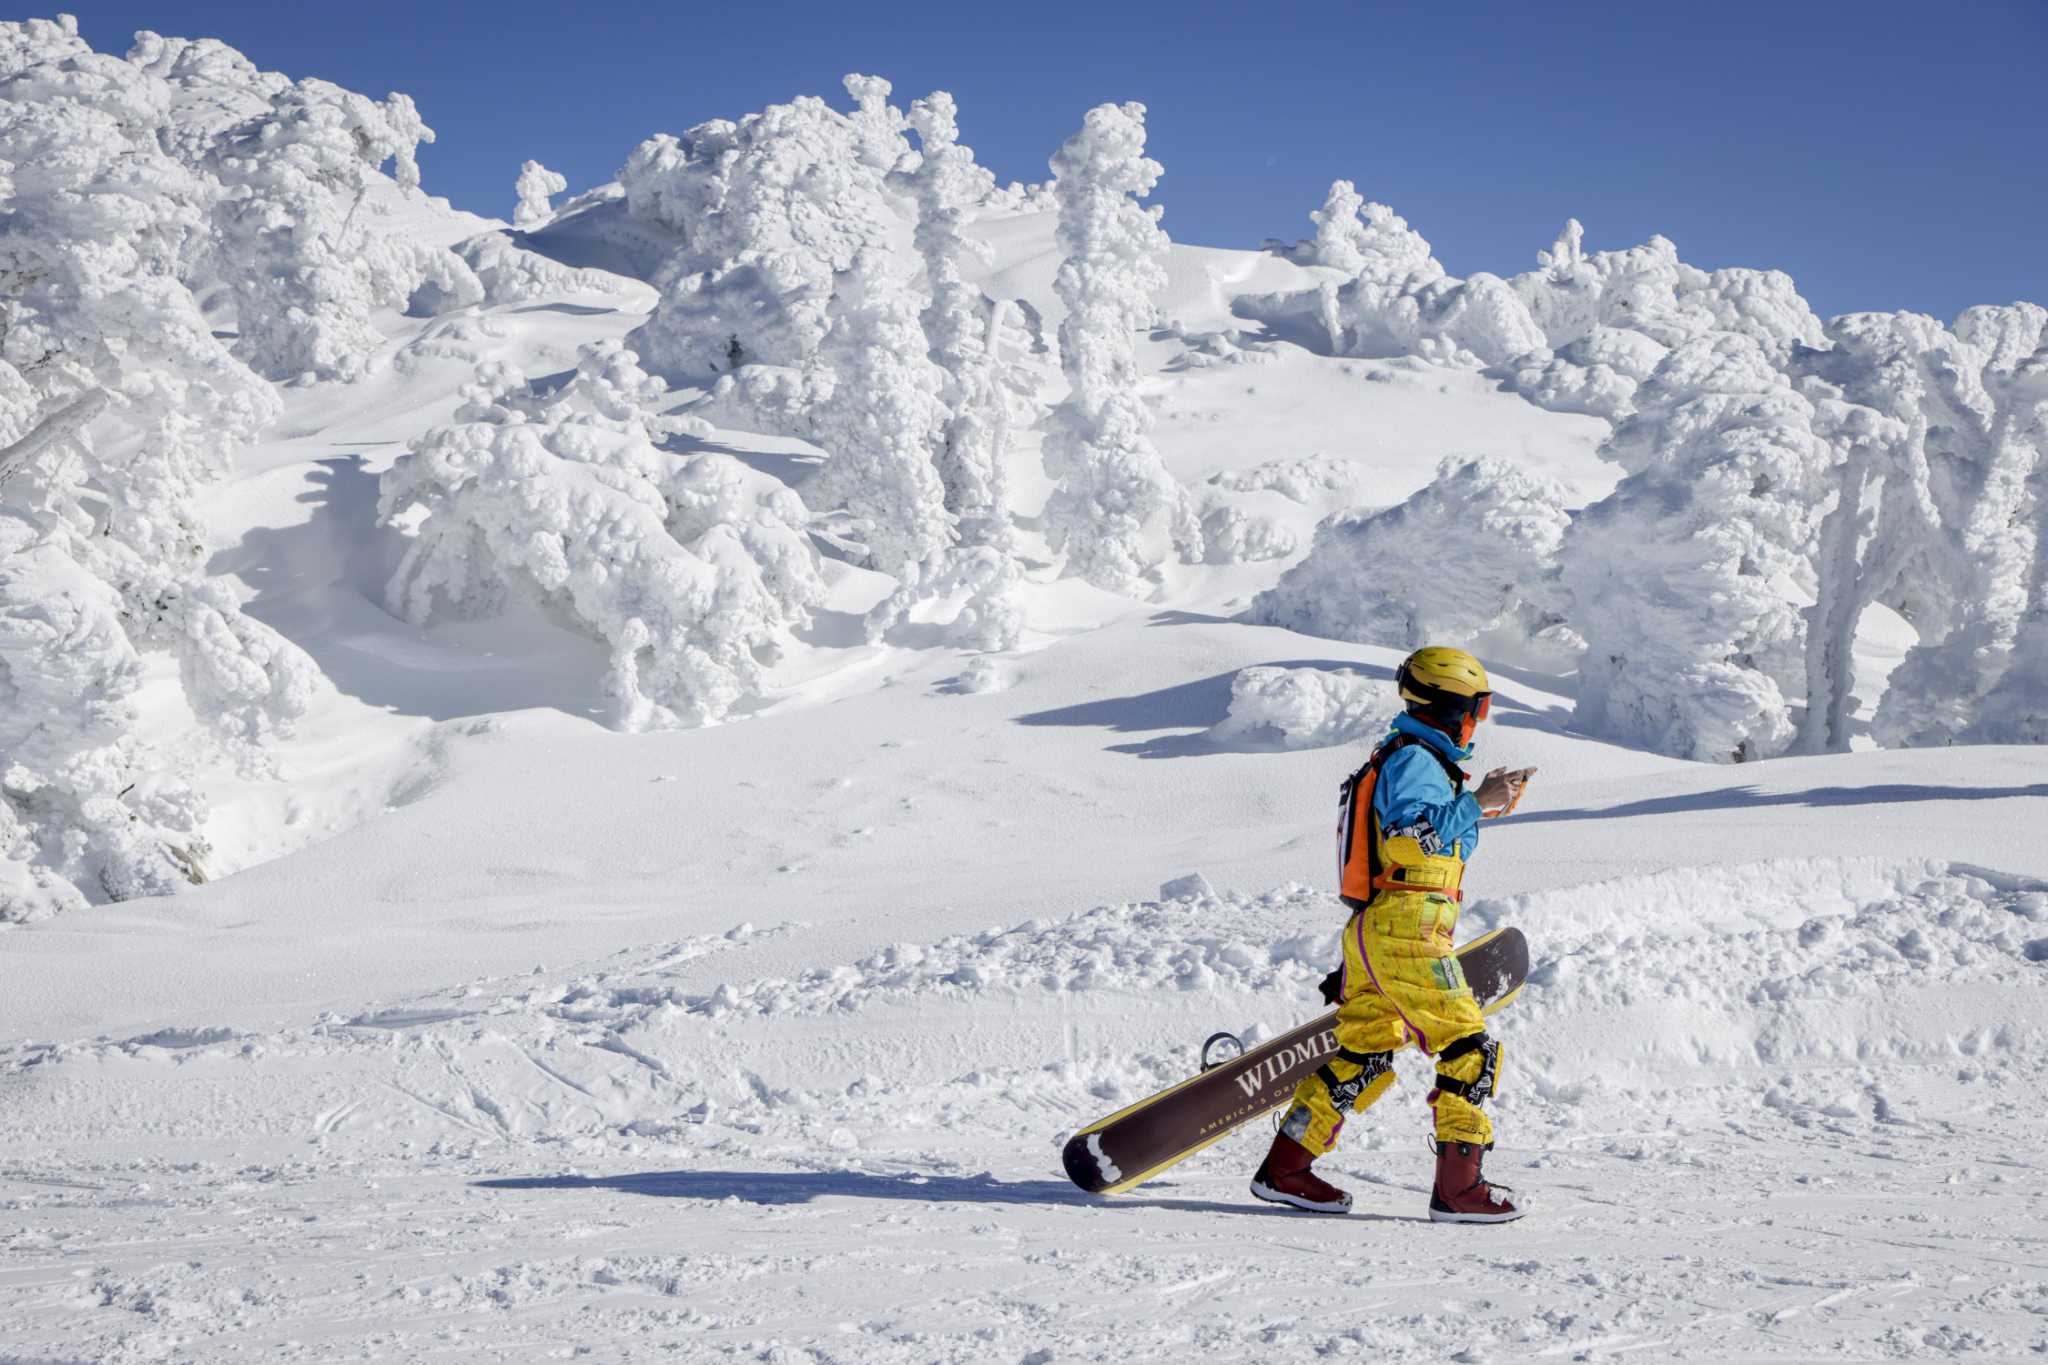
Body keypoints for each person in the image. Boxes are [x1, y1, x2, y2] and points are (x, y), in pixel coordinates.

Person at [1250, 646, 1535, 1221]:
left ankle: (1285, 1168)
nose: (1479, 719)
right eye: (1477, 707)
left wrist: (1483, 805)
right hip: (1406, 927)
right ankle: (1459, 1191)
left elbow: (1424, 837)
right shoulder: (1417, 762)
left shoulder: (1415, 757)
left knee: (1365, 1054)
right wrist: (1476, 803)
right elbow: (1410, 839)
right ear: (1456, 707)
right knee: (1469, 1051)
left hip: (1385, 926)